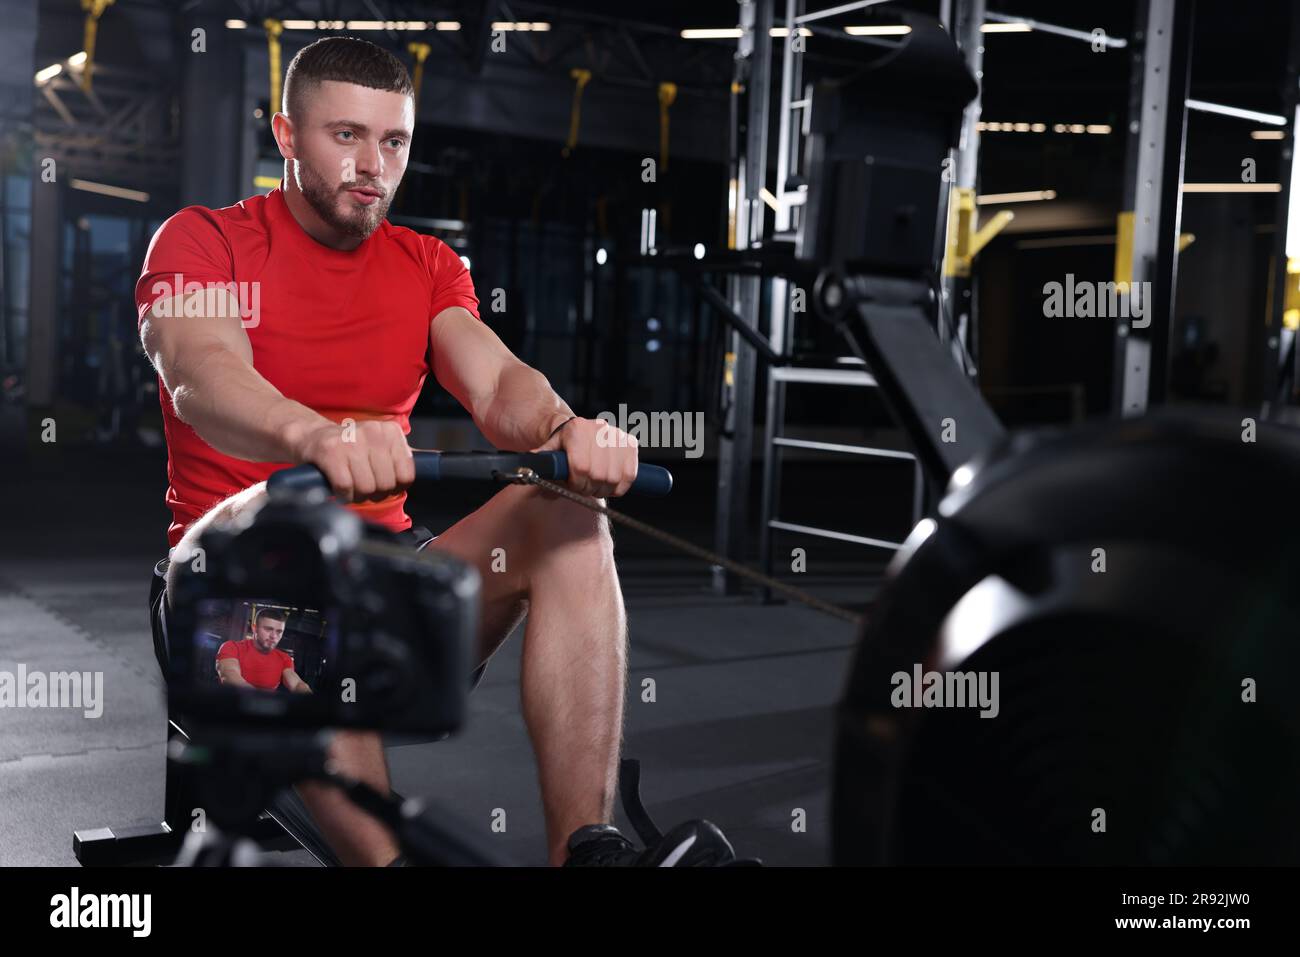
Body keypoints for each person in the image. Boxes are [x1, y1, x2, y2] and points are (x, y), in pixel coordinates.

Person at [136, 35, 718, 867]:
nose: (373, 163)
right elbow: (202, 375)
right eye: (345, 136)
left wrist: (565, 429)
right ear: (287, 136)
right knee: (286, 534)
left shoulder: (426, 262)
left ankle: (588, 851)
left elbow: (496, 384)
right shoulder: (202, 243)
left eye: (394, 140)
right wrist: (314, 435)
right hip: (236, 584)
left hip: (389, 583)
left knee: (567, 514)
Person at [215, 609, 312, 694]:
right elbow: (229, 675)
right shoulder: (232, 647)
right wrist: (258, 698)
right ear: (254, 628)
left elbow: (296, 684)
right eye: (268, 629)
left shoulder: (284, 658)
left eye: (279, 631)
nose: (274, 636)